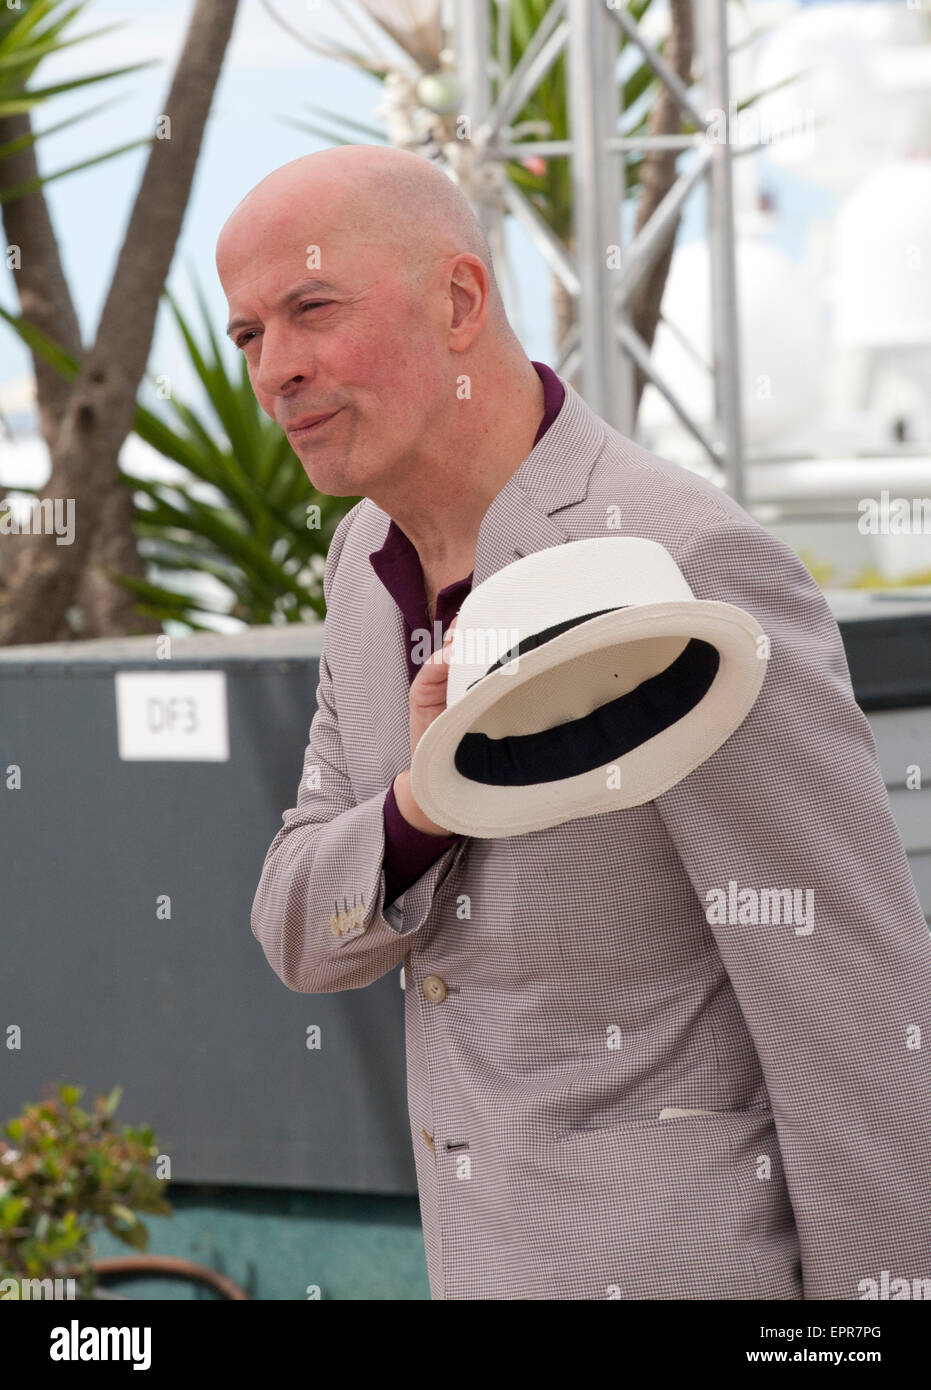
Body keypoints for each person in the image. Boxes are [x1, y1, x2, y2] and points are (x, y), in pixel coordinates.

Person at [218, 144, 931, 1300]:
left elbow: (853, 1022)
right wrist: (414, 811)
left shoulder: (684, 560)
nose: (275, 370)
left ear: (458, 302)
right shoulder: (360, 561)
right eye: (250, 334)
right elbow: (300, 922)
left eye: (310, 309)